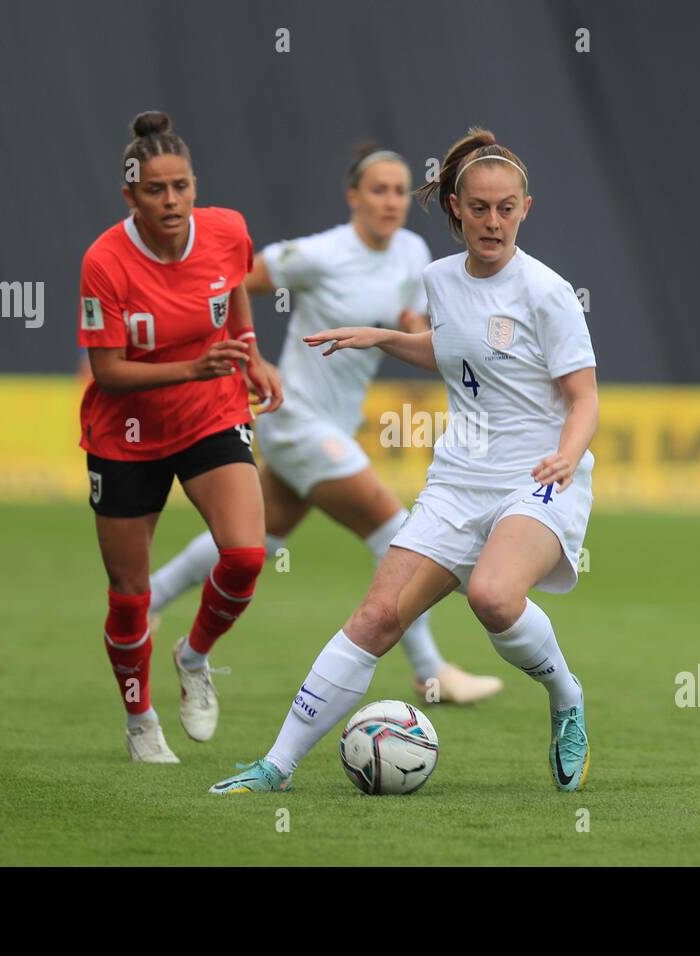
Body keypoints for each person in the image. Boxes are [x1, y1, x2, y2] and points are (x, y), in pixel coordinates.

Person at [209, 127, 599, 794]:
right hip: (457, 481)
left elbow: (584, 396)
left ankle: (566, 697)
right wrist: (383, 338)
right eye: (479, 207)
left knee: (492, 595)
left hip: (537, 478)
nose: (493, 221)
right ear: (455, 206)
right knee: (375, 619)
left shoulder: (547, 292)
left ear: (525, 209)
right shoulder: (438, 279)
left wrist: (567, 454)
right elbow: (455, 352)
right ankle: (275, 767)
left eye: (507, 208)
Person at [148, 144, 503, 705]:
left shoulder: (411, 252)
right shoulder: (319, 255)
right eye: (378, 190)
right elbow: (230, 279)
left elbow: (411, 319)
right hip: (296, 421)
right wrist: (244, 353)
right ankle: (430, 672)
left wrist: (454, 338)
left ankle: (148, 600)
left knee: (254, 539)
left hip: (334, 426)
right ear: (353, 196)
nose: (390, 202)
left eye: (398, 191)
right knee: (398, 529)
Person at [78, 110, 282, 763]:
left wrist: (249, 353)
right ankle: (140, 720)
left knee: (247, 555)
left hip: (209, 412)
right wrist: (190, 365)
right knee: (131, 594)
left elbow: (237, 291)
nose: (171, 201)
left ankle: (194, 656)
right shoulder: (105, 263)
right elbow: (108, 372)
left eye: (182, 186)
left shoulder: (226, 231)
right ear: (130, 196)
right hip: (124, 433)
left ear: (196, 185)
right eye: (156, 190)